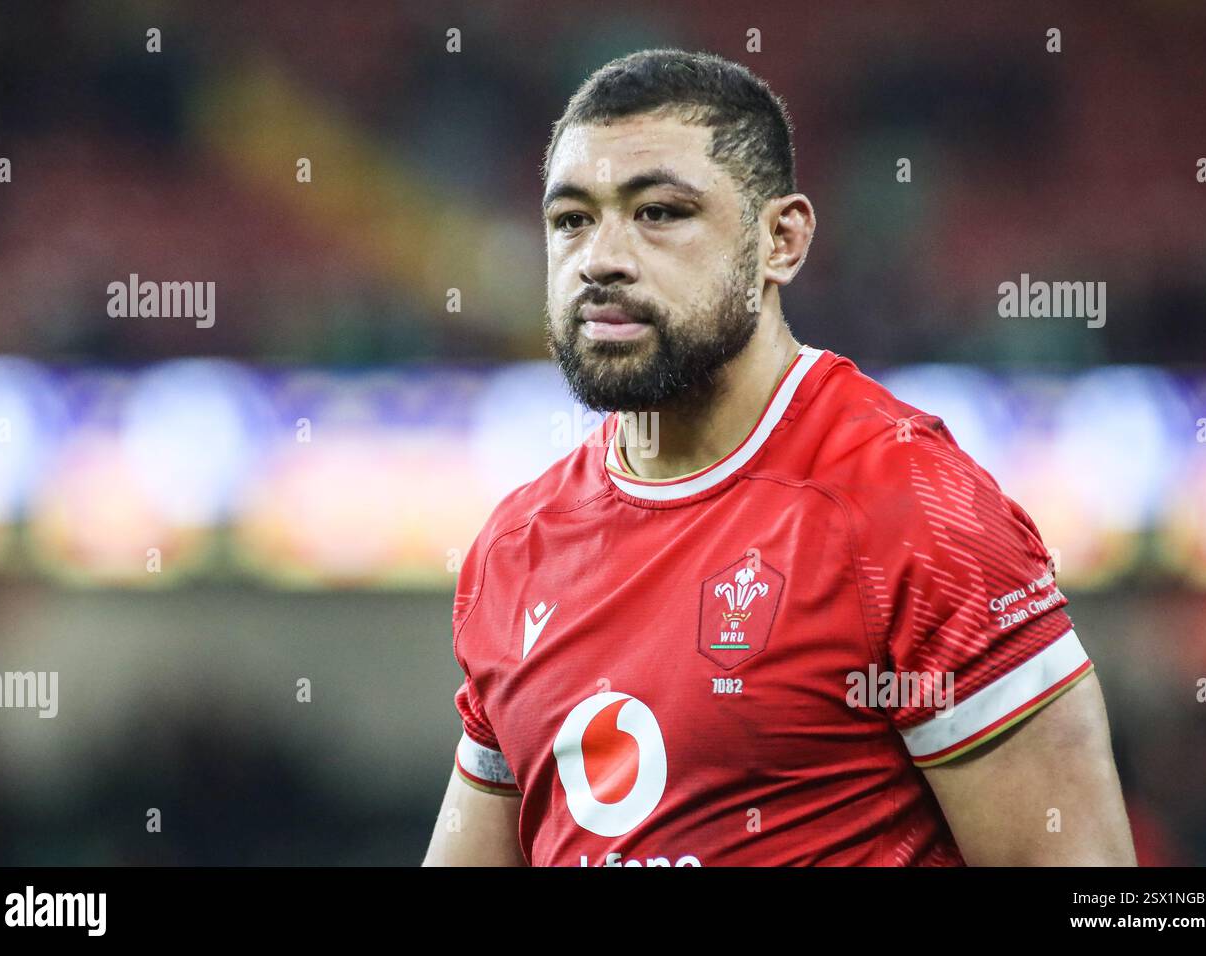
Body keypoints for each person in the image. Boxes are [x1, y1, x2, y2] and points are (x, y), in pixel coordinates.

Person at [423, 48, 1136, 866]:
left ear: (782, 241)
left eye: (657, 211)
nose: (601, 258)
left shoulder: (913, 509)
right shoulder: (515, 551)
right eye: (571, 219)